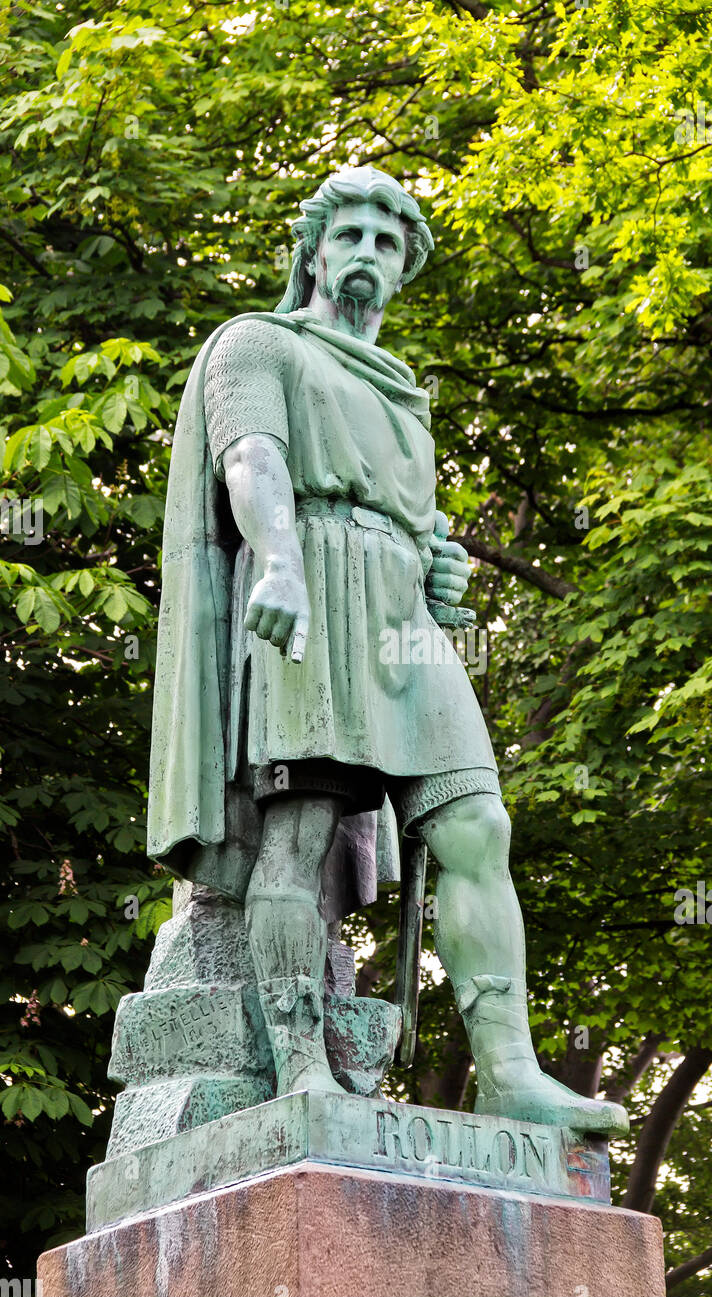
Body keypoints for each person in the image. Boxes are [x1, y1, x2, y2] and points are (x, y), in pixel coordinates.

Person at [147, 165, 627, 1136]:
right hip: (306, 591)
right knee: (298, 832)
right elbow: (253, 460)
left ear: (401, 267)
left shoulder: (405, 396)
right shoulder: (256, 345)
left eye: (386, 240)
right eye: (350, 233)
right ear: (312, 250)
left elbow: (412, 521)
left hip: (399, 620)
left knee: (477, 825)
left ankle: (509, 1072)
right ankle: (299, 1070)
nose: (366, 251)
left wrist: (436, 567)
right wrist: (277, 558)